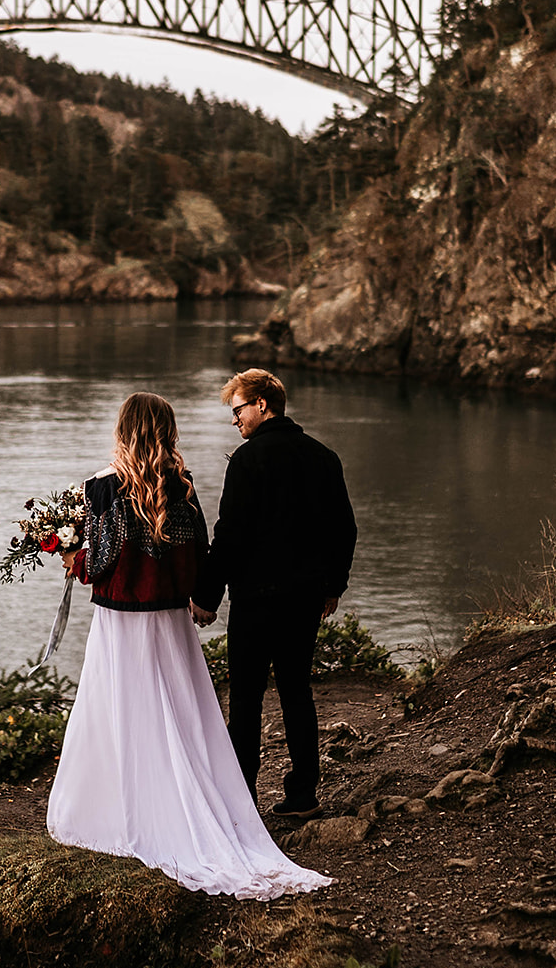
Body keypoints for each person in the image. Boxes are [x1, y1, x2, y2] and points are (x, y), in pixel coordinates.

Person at [46, 391, 330, 900]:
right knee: (178, 708)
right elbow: (198, 550)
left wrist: (74, 560)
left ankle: (121, 805)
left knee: (121, 707)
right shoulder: (184, 487)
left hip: (122, 621)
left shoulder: (105, 486)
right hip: (170, 618)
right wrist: (201, 595)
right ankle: (195, 799)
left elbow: (105, 559)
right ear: (167, 429)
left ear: (123, 429)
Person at [191, 369, 357, 820]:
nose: (234, 420)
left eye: (238, 409)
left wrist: (206, 594)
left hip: (257, 601)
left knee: (245, 697)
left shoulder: (249, 461)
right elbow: (343, 530)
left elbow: (230, 535)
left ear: (262, 405)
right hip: (305, 600)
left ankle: (242, 797)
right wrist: (333, 587)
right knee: (296, 692)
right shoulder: (323, 457)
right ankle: (303, 794)